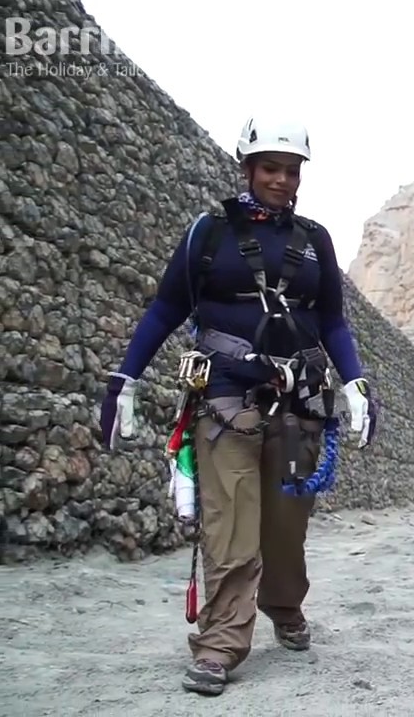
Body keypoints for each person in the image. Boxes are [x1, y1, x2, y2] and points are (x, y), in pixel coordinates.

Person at [98, 115, 377, 697]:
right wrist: (126, 376)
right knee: (229, 525)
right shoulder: (209, 234)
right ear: (247, 167)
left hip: (299, 400)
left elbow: (331, 320)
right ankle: (220, 643)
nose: (282, 180)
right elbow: (166, 307)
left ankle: (284, 604)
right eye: (271, 168)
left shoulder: (315, 240)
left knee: (286, 526)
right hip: (225, 396)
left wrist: (355, 382)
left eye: (292, 171)